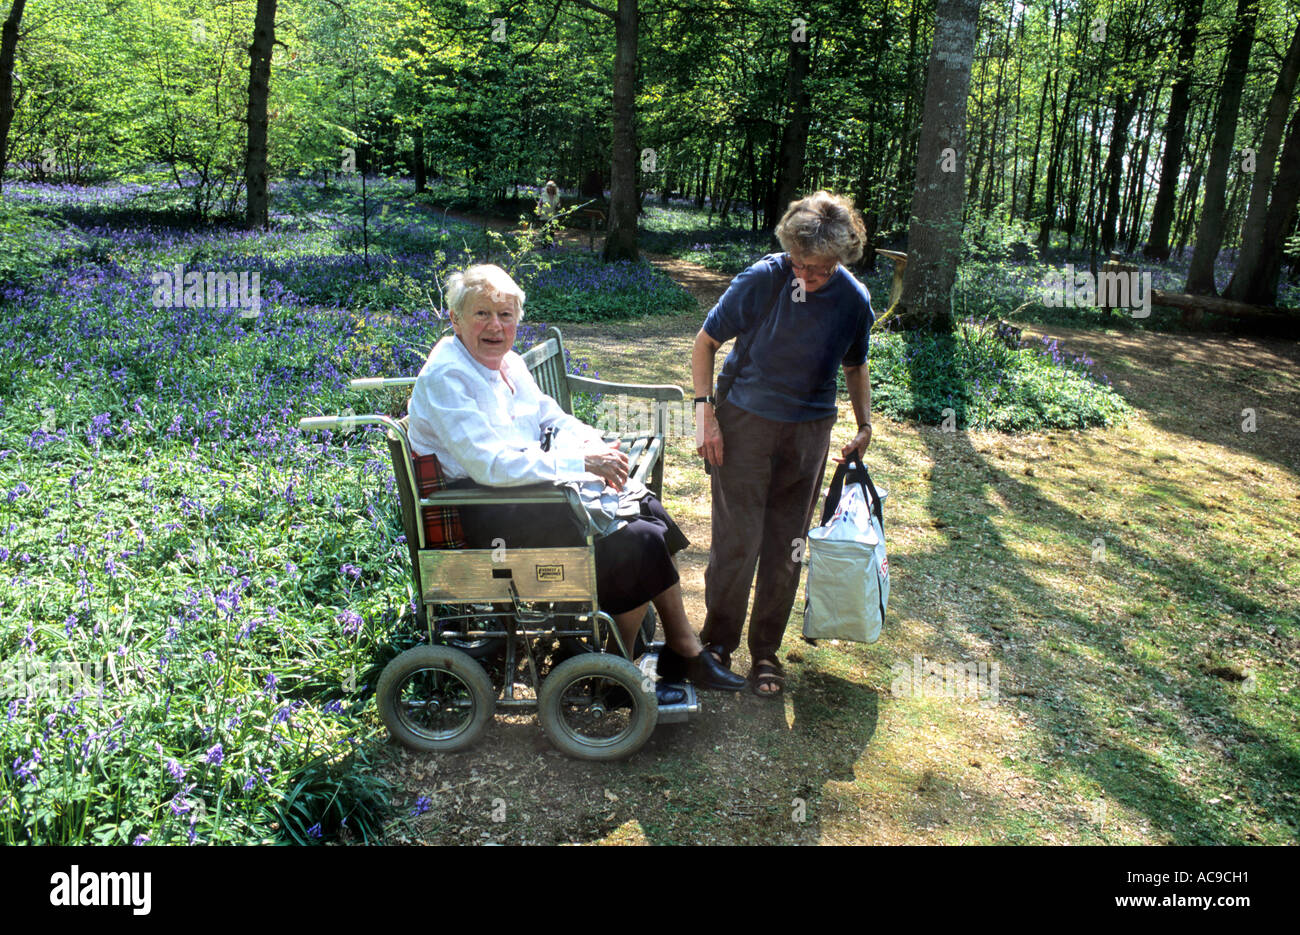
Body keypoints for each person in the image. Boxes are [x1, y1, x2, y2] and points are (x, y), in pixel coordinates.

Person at [408, 264, 744, 695]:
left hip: (522, 496)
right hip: (486, 513)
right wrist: (579, 463)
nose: (496, 326)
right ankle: (613, 671)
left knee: (646, 506)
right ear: (455, 318)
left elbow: (550, 416)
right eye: (482, 314)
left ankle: (684, 650)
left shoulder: (505, 361)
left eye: (506, 315)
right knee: (636, 541)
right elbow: (489, 465)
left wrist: (595, 444)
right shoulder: (448, 376)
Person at [691, 191, 875, 698]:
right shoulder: (763, 278)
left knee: (786, 544)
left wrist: (864, 426)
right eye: (798, 264)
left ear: (838, 260)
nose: (804, 277)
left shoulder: (853, 300)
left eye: (816, 270)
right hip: (745, 420)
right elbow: (706, 342)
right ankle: (718, 642)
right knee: (738, 538)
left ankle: (766, 650)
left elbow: (855, 365)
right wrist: (705, 413)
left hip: (808, 430)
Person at [536, 181, 561, 245]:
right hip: (544, 215)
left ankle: (550, 245)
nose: (550, 188)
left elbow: (559, 204)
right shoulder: (544, 195)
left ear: (554, 188)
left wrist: (559, 206)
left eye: (551, 187)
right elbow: (539, 204)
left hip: (553, 216)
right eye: (548, 187)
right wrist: (538, 212)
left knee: (551, 231)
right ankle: (544, 244)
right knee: (544, 230)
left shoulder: (557, 196)